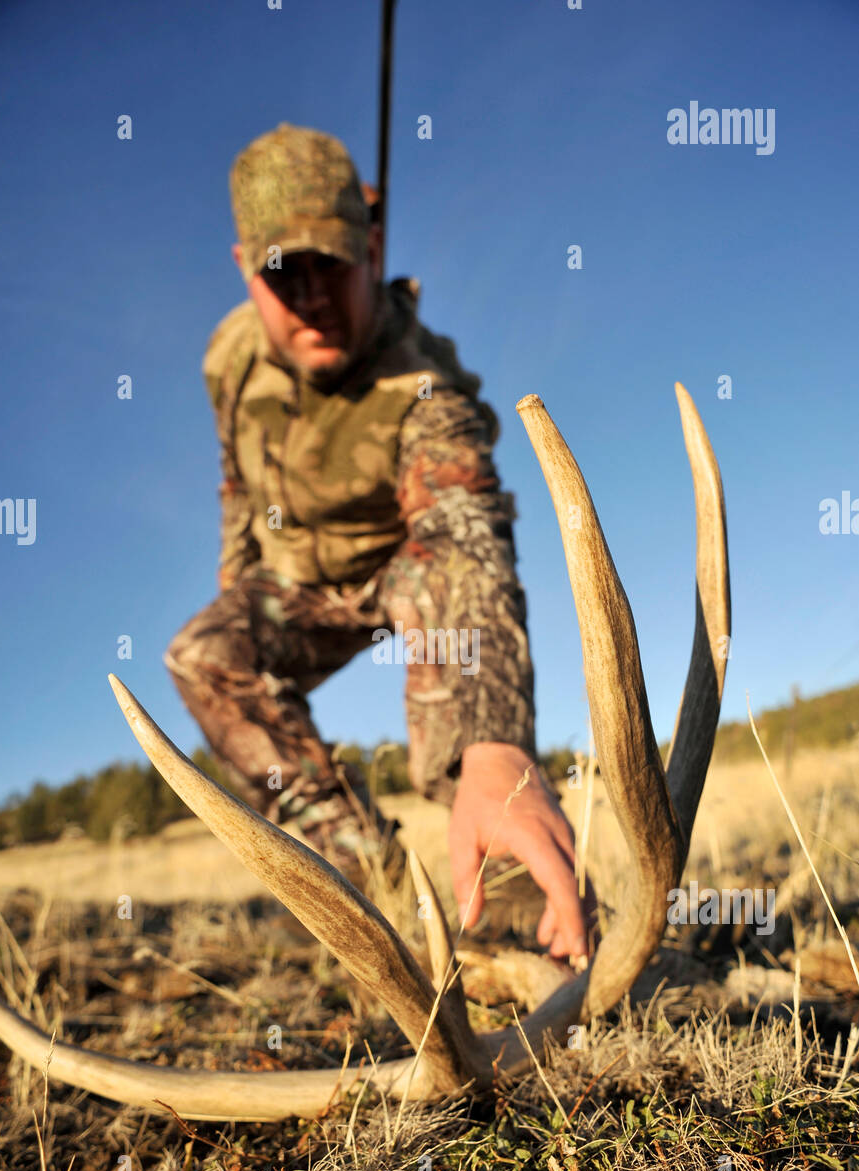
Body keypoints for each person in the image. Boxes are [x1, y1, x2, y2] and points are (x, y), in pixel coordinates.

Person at [165, 122, 596, 963]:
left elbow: (461, 535)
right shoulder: (229, 360)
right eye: (282, 273)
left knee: (440, 582)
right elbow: (235, 483)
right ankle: (373, 886)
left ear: (372, 243)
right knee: (201, 653)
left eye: (331, 262)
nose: (313, 297)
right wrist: (238, 584)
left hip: (406, 571)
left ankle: (503, 893)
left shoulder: (425, 380)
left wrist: (495, 747)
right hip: (300, 586)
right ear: (243, 269)